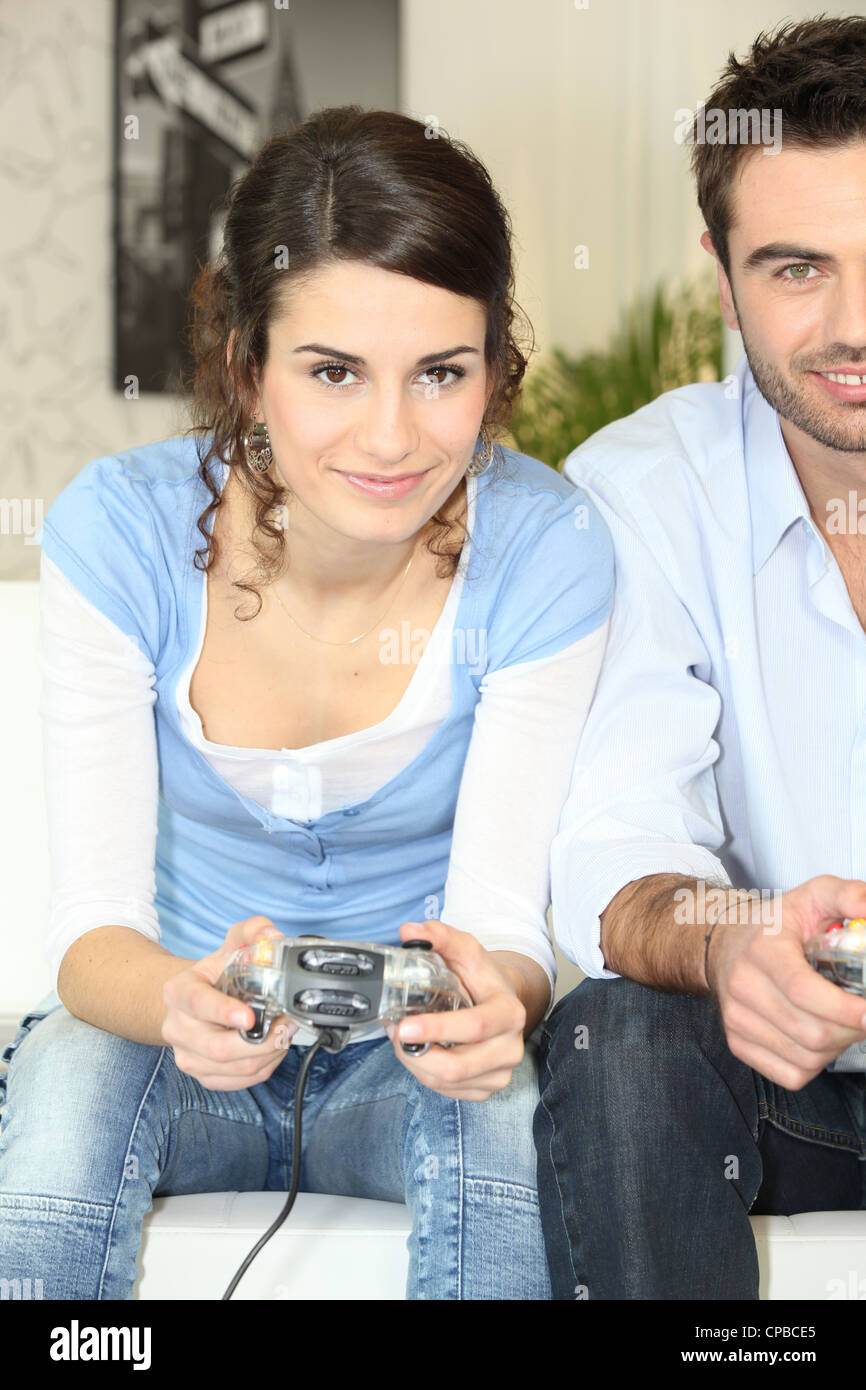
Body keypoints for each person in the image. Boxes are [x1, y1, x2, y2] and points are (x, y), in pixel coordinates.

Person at [0, 106, 613, 1300]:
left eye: (441, 373)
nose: (391, 437)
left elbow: (501, 918)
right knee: (75, 1067)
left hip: (406, 1059)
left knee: (493, 1100)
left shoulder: (547, 543)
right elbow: (92, 934)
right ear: (247, 362)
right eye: (332, 371)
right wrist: (176, 999)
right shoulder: (114, 532)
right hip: (178, 1050)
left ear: (496, 368)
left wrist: (498, 1001)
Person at [534, 14, 866, 1300]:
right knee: (618, 1031)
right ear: (723, 283)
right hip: (775, 1103)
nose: (851, 325)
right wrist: (734, 941)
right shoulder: (637, 490)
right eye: (797, 269)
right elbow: (617, 860)